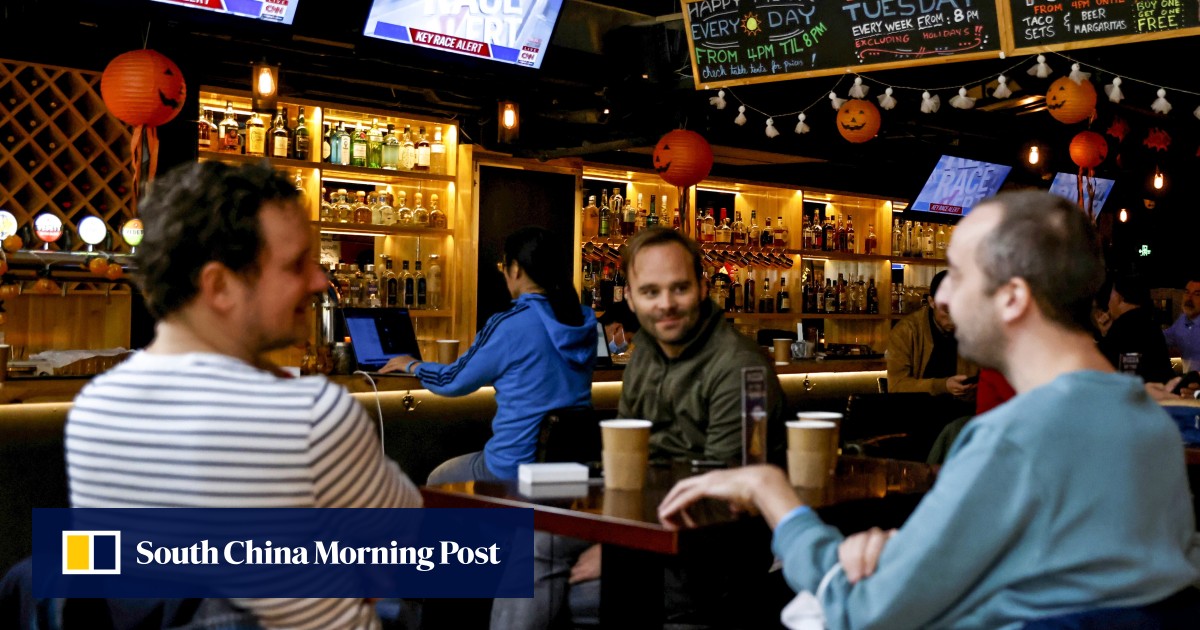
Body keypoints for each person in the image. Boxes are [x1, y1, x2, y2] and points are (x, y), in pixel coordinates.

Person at [658, 191, 1200, 629]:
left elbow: (859, 610)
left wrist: (771, 495)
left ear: (1013, 298)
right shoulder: (1148, 421)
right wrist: (908, 553)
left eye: (959, 276)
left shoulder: (1010, 440)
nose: (943, 299)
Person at [65, 161, 423, 629]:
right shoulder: (308, 416)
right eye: (296, 265)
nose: (319, 282)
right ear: (219, 286)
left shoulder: (94, 407)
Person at [491, 227, 786, 629]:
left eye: (679, 288)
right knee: (524, 546)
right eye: (650, 292)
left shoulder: (739, 366)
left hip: (711, 557)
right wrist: (614, 538)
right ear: (628, 296)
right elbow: (626, 460)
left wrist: (622, 549)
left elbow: (725, 498)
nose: (666, 304)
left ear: (703, 287)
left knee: (544, 588)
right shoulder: (647, 348)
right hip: (643, 527)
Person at [379, 226, 596, 484]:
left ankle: (500, 522)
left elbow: (452, 381)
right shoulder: (584, 320)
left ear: (514, 269)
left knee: (439, 478)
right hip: (573, 468)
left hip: (515, 467)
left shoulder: (510, 324)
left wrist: (412, 365)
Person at [886, 269, 978, 400]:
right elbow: (896, 386)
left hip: (962, 411)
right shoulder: (906, 331)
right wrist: (943, 386)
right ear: (931, 302)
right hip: (916, 412)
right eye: (946, 310)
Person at [1100, 273, 1175, 384]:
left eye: (1111, 293)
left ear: (1120, 297)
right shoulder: (1152, 326)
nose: (1109, 301)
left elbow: (1103, 371)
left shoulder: (1121, 329)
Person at [1163, 276, 1200, 372]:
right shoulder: (1183, 319)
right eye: (1187, 292)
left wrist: (1176, 367)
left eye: (1197, 294)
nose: (1189, 298)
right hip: (1186, 378)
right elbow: (1165, 338)